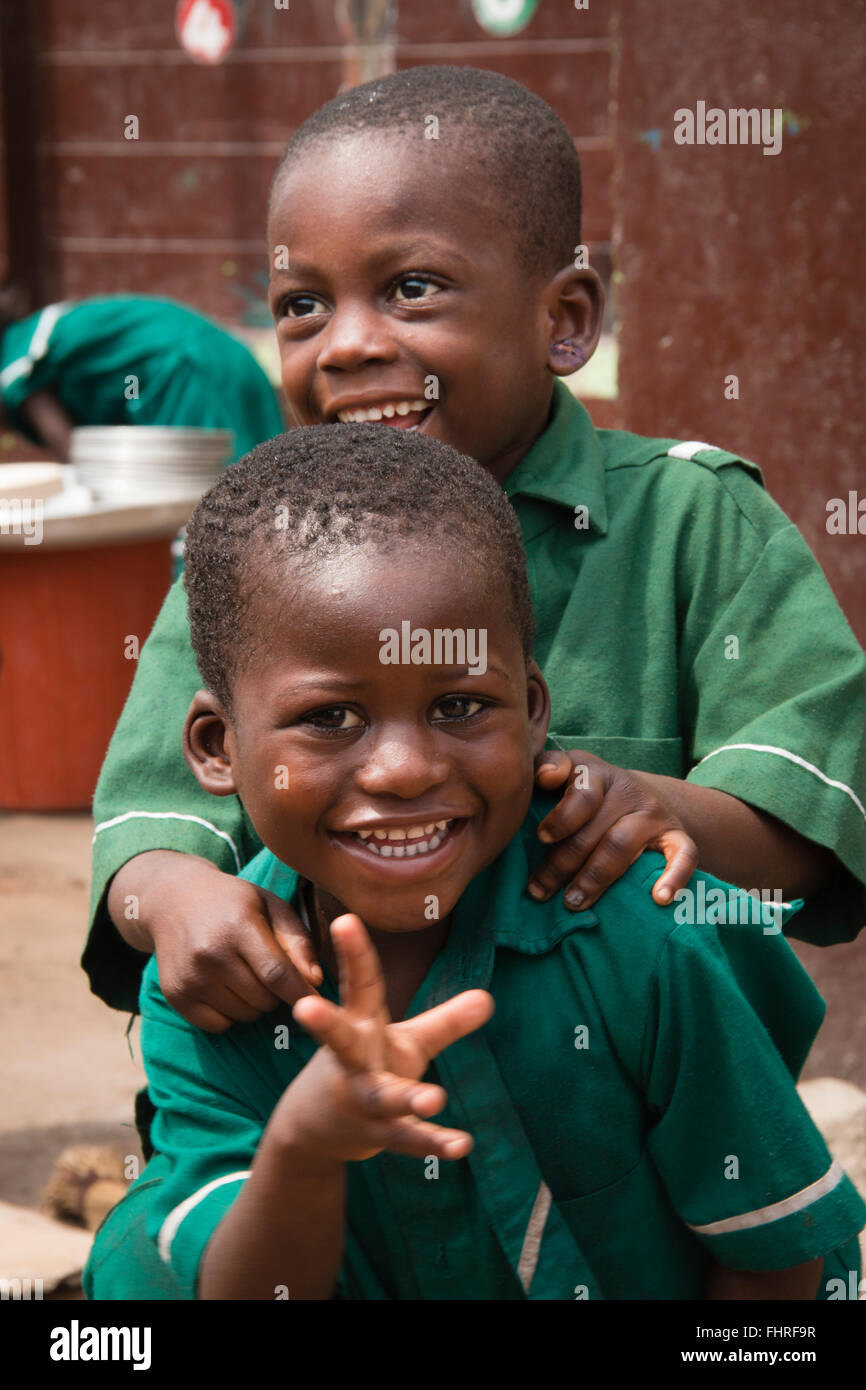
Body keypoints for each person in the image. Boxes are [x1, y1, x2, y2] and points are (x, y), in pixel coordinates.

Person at [84, 67, 866, 1096]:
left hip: (647, 1136)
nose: (351, 342)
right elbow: (151, 823)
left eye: (410, 288)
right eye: (302, 305)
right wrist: (171, 895)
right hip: (335, 1147)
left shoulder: (690, 521)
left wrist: (663, 811)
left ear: (565, 319)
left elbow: (811, 821)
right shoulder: (259, 544)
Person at [83, 426, 866, 1300]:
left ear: (534, 710)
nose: (406, 769)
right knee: (136, 1273)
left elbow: (773, 1261)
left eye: (459, 705)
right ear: (216, 747)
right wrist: (304, 1150)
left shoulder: (643, 929)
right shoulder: (216, 982)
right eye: (331, 719)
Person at [0, 291, 284, 463]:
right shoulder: (42, 336)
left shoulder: (14, 358)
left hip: (189, 372)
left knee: (220, 516)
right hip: (225, 360)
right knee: (263, 491)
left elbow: (76, 457)